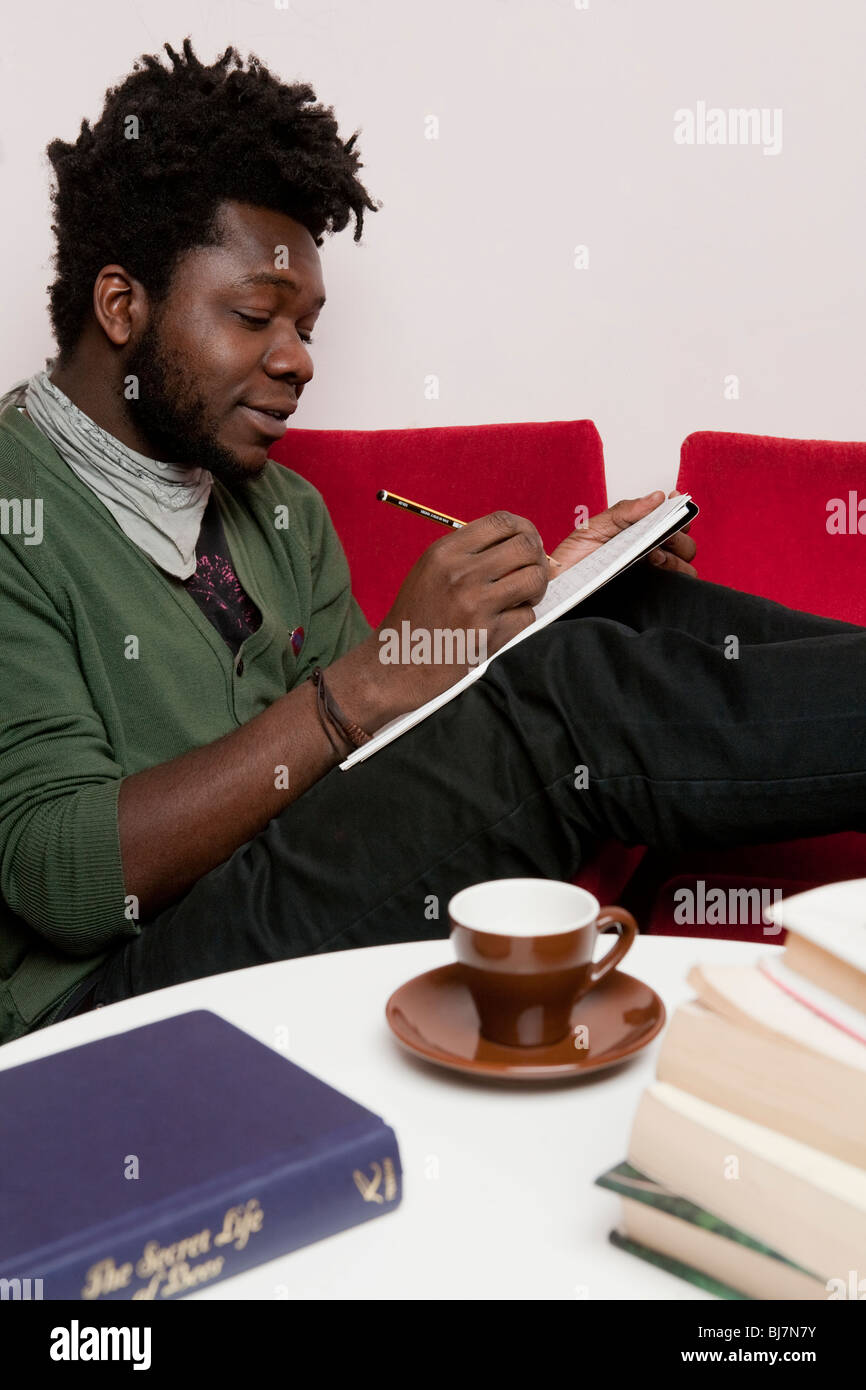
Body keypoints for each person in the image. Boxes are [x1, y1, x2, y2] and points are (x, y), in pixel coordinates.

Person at [1, 40, 863, 1046]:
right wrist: (365, 680)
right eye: (253, 318)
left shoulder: (277, 508)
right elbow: (64, 877)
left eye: (308, 328)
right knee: (561, 704)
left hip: (262, 906)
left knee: (620, 606)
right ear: (120, 306)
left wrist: (551, 590)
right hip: (96, 1014)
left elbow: (375, 774)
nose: (295, 362)